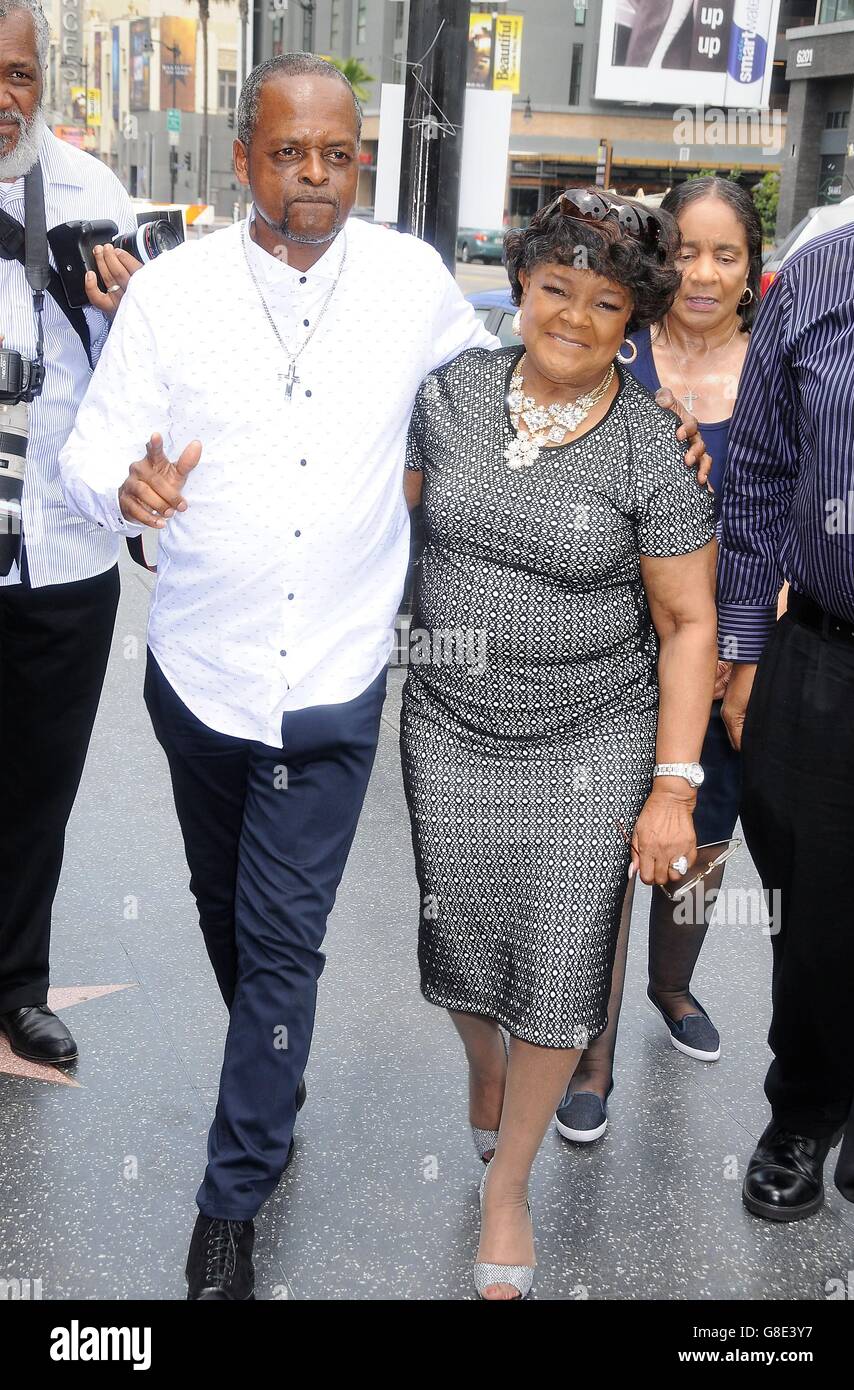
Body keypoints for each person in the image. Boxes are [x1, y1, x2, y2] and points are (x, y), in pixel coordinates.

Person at [58, 52, 501, 1302]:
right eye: (288, 154)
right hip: (199, 672)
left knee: (283, 943)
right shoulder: (175, 295)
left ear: (360, 156)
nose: (314, 178)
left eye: (337, 154)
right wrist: (122, 487)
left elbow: (504, 397)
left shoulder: (411, 280)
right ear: (241, 160)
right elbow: (96, 447)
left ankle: (227, 1204)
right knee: (229, 923)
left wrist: (643, 418)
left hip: (336, 678)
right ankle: (273, 1065)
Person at [400, 188, 718, 1299]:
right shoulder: (445, 399)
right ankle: (482, 1070)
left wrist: (671, 790)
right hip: (444, 722)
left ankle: (509, 1182)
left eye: (604, 303)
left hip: (591, 733)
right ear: (519, 288)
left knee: (562, 951)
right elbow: (375, 528)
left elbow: (686, 625)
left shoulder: (649, 448)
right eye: (554, 290)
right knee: (464, 942)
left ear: (632, 321)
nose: (574, 319)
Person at [557, 177, 761, 1143]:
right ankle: (587, 1051)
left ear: (751, 267)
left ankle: (671, 990)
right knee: (600, 849)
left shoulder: (774, 369)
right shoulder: (613, 348)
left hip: (725, 649)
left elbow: (791, 511)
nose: (701, 273)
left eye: (725, 254)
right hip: (605, 647)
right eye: (682, 250)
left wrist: (741, 642)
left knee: (697, 835)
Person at [718, 219, 854, 1264]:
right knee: (814, 916)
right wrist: (740, 643)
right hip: (827, 656)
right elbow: (760, 471)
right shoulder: (821, 272)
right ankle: (802, 1113)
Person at [0, 0, 140, 1067]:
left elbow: (145, 375)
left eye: (18, 76)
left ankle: (17, 984)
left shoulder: (94, 192)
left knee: (37, 789)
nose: (6, 99)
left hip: (63, 549)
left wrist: (117, 306)